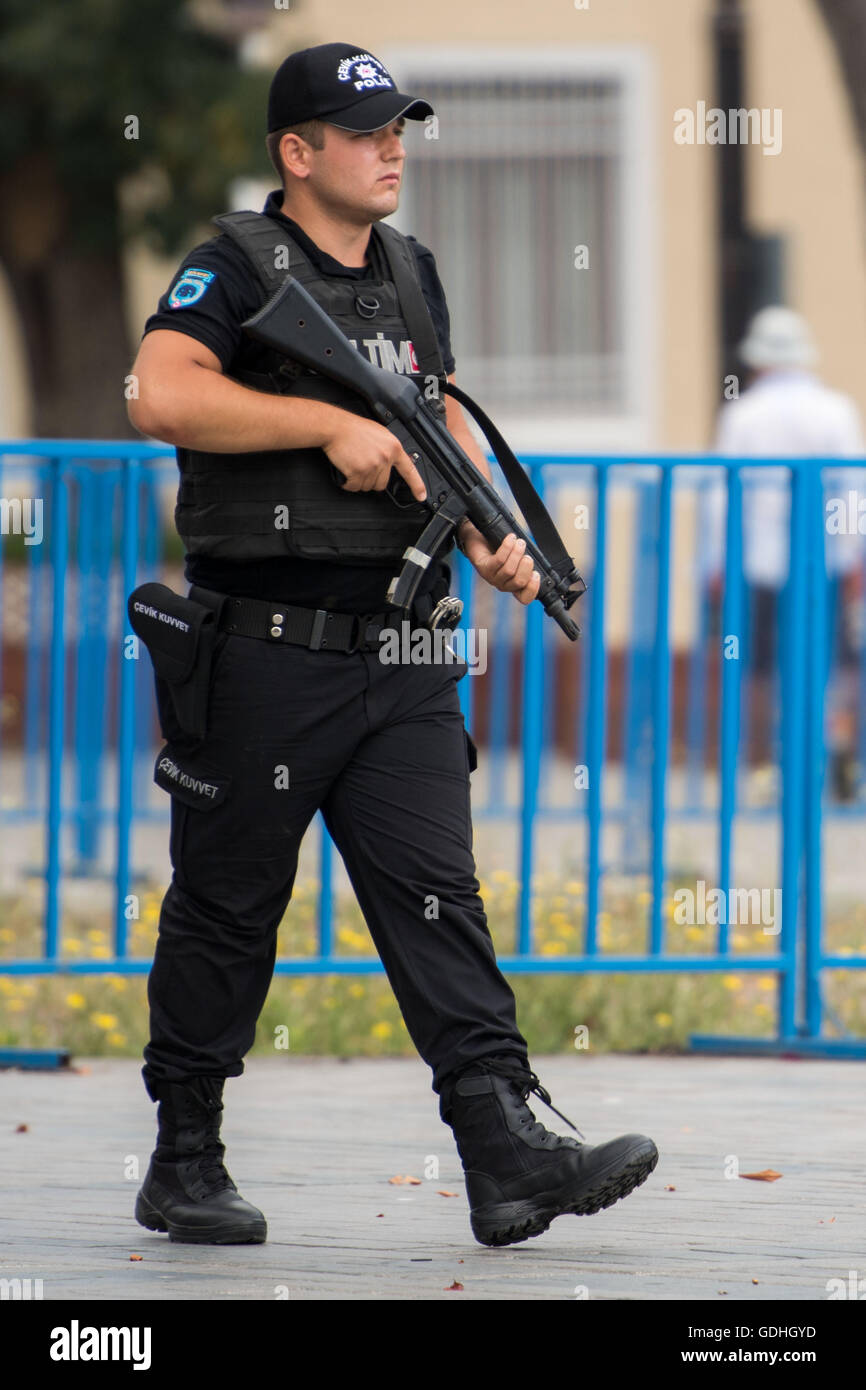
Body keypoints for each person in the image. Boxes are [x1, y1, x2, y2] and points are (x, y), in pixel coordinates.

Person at [126, 40, 657, 1251]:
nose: (390, 150)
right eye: (363, 134)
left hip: (406, 653)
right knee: (227, 907)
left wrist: (486, 537)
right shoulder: (234, 264)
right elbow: (156, 392)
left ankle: (504, 1152)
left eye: (396, 129)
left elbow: (436, 419)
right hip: (263, 649)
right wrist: (317, 424)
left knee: (437, 898)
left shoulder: (410, 274)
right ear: (296, 153)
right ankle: (183, 1157)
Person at [702, 306, 865, 796]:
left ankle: (777, 761)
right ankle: (831, 744)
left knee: (767, 665)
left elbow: (720, 496)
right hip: (825, 562)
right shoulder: (836, 409)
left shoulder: (742, 413)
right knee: (829, 660)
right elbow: (853, 490)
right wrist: (856, 555)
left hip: (760, 563)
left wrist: (716, 561)